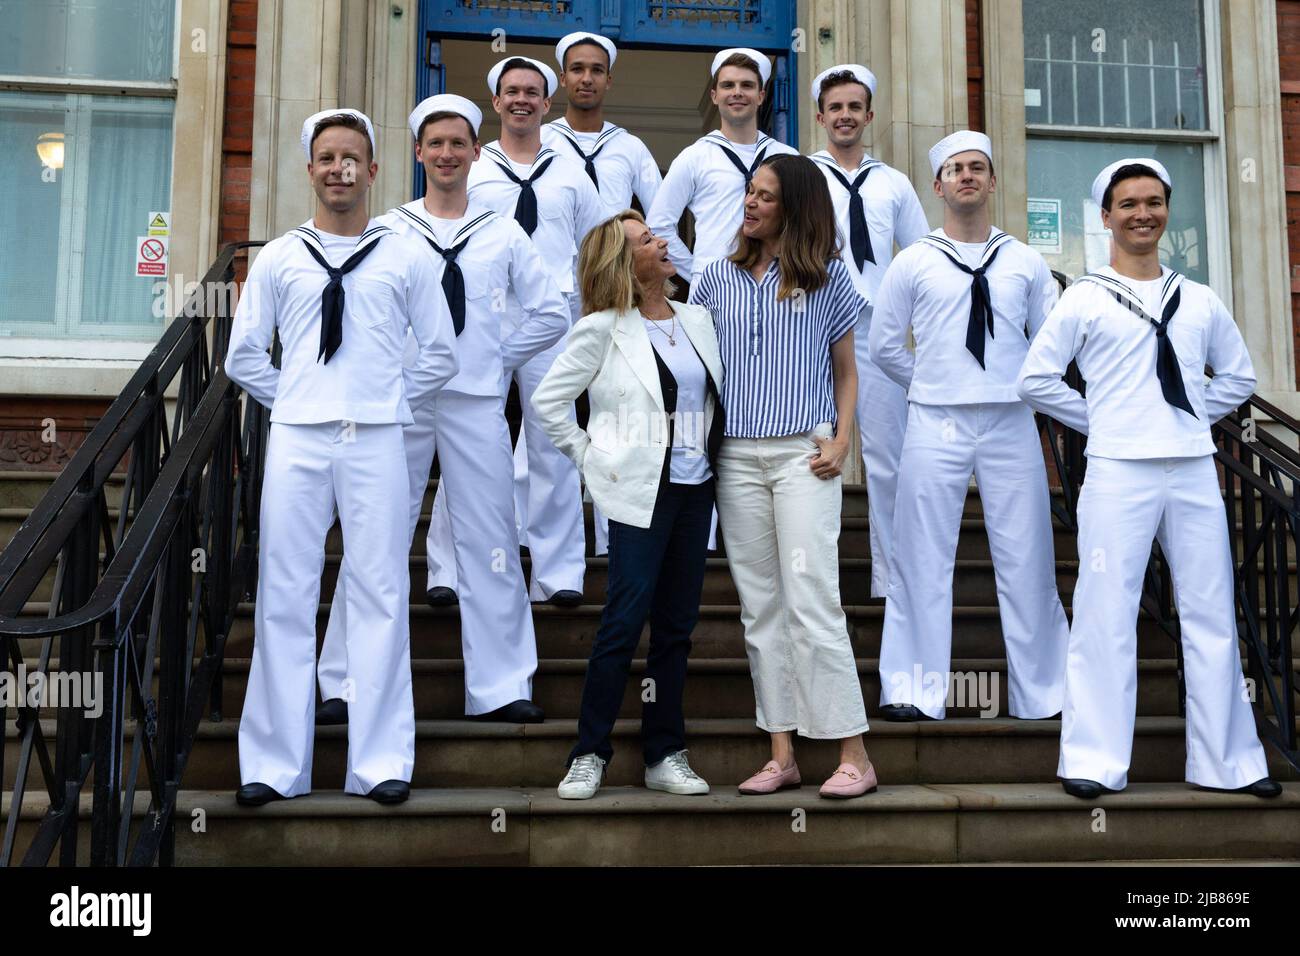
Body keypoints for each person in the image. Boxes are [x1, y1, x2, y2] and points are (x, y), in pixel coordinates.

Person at [1017, 158, 1281, 799]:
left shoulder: (1199, 298)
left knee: (1212, 614)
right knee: (1105, 613)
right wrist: (1102, 420)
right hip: (1116, 474)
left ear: (1167, 209)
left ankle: (1231, 763)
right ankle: (1093, 760)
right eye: (1129, 203)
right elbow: (1034, 379)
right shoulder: (1083, 295)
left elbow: (1239, 377)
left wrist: (1187, 416)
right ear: (1105, 216)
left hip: (1192, 472)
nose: (1143, 213)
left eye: (1154, 202)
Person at [226, 109, 459, 806]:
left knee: (381, 590)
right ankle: (272, 764)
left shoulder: (406, 254)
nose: (339, 169)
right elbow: (243, 357)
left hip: (378, 439)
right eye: (327, 158)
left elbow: (441, 352)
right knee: (284, 592)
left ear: (374, 169)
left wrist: (386, 399)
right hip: (297, 437)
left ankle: (382, 760)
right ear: (310, 170)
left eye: (351, 157)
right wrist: (297, 398)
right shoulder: (279, 257)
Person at [316, 95, 569, 726]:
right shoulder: (391, 230)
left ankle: (502, 685)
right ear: (419, 153)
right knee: (376, 537)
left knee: (490, 542)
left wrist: (494, 358)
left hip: (476, 404)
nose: (448, 154)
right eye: (436, 144)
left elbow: (551, 312)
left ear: (475, 153)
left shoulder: (503, 229)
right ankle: (345, 683)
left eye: (459, 144)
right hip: (400, 405)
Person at [690, 154, 877, 799]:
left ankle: (854, 753)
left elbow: (848, 371)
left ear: (793, 207)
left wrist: (843, 438)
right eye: (748, 191)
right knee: (760, 609)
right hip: (736, 458)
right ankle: (783, 753)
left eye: (765, 195)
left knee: (813, 598)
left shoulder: (826, 281)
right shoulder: (715, 278)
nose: (750, 203)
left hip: (805, 454)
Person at [869, 131, 1069, 723]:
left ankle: (1047, 691)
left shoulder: (1025, 261)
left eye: (977, 167)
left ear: (991, 180)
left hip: (1010, 421)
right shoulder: (914, 261)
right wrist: (931, 383)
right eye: (955, 169)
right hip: (935, 422)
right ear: (937, 185)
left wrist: (1022, 390)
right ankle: (912, 686)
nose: (966, 176)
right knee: (921, 555)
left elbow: (1048, 345)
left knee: (1028, 554)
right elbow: (884, 346)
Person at [533, 210, 724, 799]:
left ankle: (665, 752)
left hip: (696, 491)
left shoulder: (698, 318)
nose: (663, 242)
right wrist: (592, 458)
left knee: (676, 628)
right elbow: (549, 401)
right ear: (625, 262)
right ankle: (589, 752)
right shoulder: (602, 328)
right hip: (639, 493)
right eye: (648, 240)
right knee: (622, 623)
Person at [424, 56, 607, 608]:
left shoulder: (572, 173)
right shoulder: (474, 170)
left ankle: (557, 573)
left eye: (532, 91)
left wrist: (593, 321)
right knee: (467, 438)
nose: (522, 99)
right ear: (497, 103)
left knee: (552, 442)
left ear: (547, 104)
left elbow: (597, 251)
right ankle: (448, 570)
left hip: (553, 323)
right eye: (511, 92)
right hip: (481, 321)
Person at [543, 30, 665, 561]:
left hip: (616, 292)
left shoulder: (630, 146)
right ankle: (551, 545)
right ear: (563, 77)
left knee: (613, 411)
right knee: (546, 414)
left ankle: (615, 536)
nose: (586, 77)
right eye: (577, 69)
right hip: (553, 294)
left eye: (596, 69)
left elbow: (659, 215)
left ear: (609, 79)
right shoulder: (542, 140)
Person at [808, 64, 929, 598]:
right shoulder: (799, 174)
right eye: (835, 107)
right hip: (812, 326)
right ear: (820, 116)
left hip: (878, 330)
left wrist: (922, 334)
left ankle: (891, 577)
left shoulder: (893, 184)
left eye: (854, 107)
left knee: (887, 455)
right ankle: (815, 579)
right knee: (815, 451)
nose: (845, 116)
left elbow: (923, 258)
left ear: (869, 115)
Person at [648, 47, 798, 287]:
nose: (737, 92)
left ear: (761, 96)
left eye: (746, 85)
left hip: (776, 285)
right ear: (714, 95)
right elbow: (658, 225)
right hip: (715, 289)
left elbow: (805, 222)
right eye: (728, 85)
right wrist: (699, 270)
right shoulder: (695, 156)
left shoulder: (787, 157)